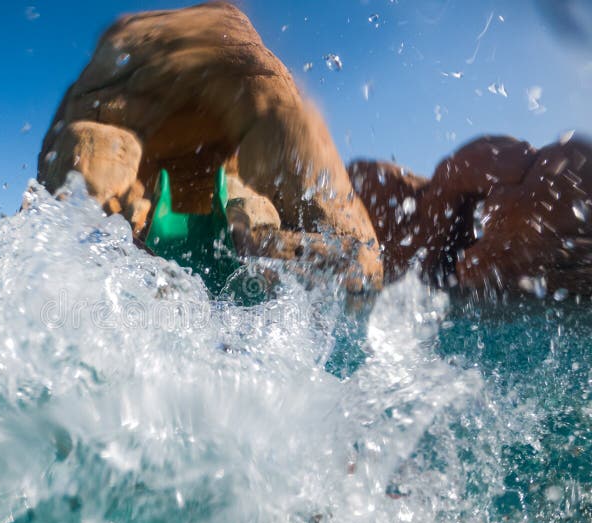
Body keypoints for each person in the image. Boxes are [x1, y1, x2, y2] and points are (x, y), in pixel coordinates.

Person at [36, 1, 592, 299]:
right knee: (348, 262)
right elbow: (360, 265)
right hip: (224, 74)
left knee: (71, 242)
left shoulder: (239, 163)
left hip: (177, 72)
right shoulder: (265, 158)